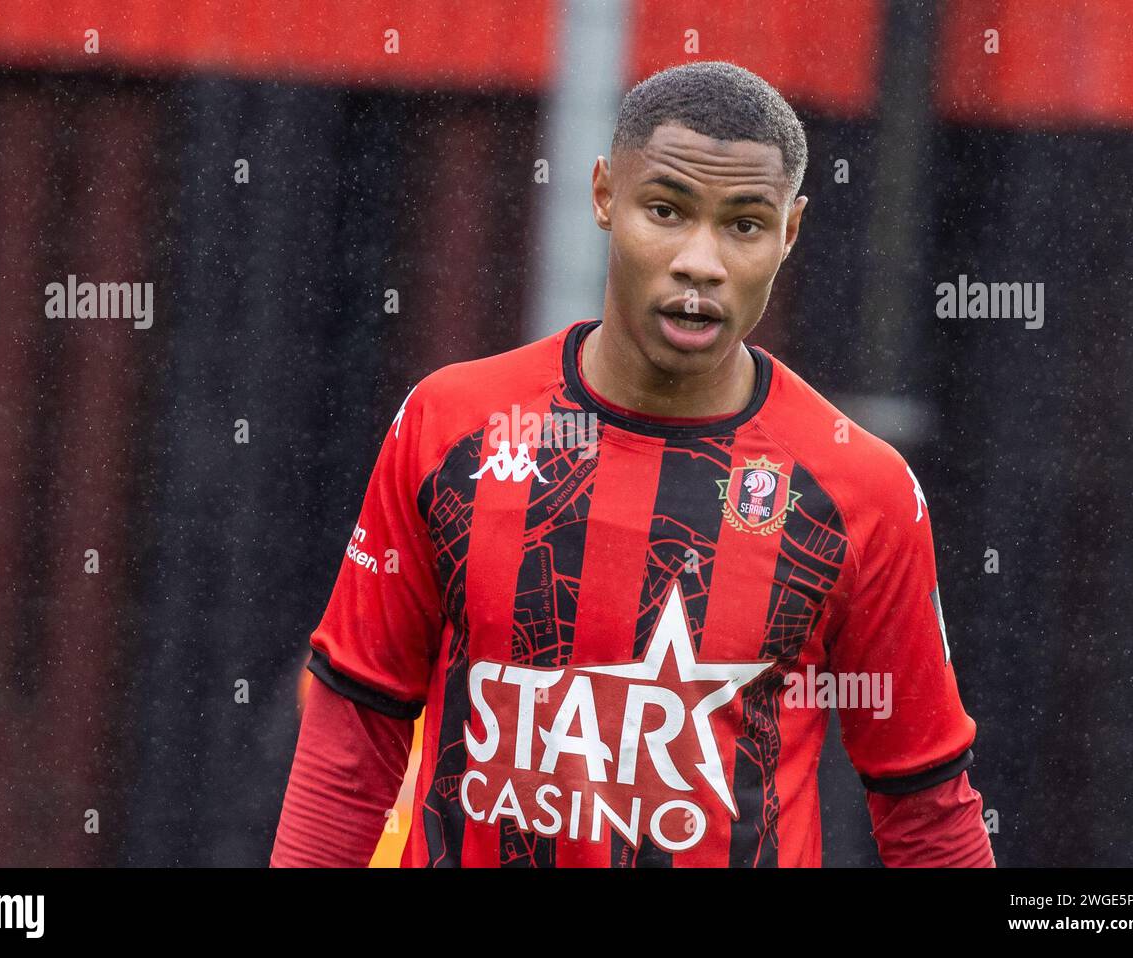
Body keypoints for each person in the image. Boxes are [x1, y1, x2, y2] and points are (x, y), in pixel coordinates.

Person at [271, 60, 994, 868]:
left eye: (744, 226)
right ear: (604, 195)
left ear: (790, 232)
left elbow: (927, 807)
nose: (701, 260)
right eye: (665, 210)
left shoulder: (861, 490)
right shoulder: (453, 424)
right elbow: (353, 734)